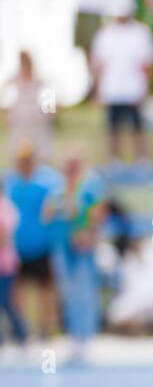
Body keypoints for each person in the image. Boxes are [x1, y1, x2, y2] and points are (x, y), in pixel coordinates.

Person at [5, 140, 63, 341]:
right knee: (17, 289)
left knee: (45, 288)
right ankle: (20, 330)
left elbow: (56, 205)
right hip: (18, 245)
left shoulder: (48, 180)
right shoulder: (12, 182)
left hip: (42, 244)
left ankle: (46, 328)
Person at [53, 150, 107, 357]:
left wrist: (90, 234)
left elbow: (97, 212)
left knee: (83, 289)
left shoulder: (90, 183)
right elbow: (50, 211)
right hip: (64, 243)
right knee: (69, 291)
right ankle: (74, 333)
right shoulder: (61, 186)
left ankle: (86, 334)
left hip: (82, 245)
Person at [90, 0, 153, 162]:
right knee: (112, 128)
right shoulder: (104, 35)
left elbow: (148, 64)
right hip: (112, 90)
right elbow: (99, 65)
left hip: (134, 89)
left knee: (138, 127)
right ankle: (114, 161)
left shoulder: (141, 33)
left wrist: (146, 90)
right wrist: (97, 91)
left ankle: (142, 160)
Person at [1, 51, 54, 161]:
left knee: (40, 157)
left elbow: (50, 106)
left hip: (38, 127)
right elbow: (4, 96)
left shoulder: (40, 81)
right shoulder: (13, 81)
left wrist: (47, 113)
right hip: (19, 127)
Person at [0, 190, 25, 350]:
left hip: (5, 264)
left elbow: (4, 236)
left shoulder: (5, 208)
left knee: (6, 301)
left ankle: (21, 334)